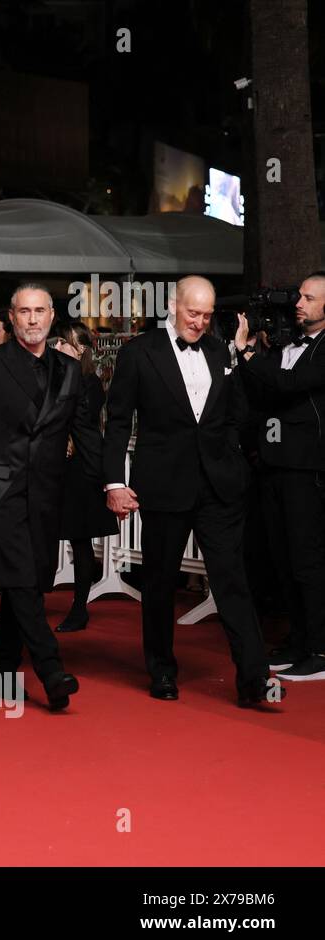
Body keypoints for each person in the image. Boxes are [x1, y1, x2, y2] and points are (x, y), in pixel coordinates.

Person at [104, 275, 281, 708]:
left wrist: (237, 463)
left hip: (218, 486)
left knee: (233, 583)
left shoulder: (222, 351)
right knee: (161, 583)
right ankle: (162, 670)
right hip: (164, 486)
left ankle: (255, 682)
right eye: (192, 313)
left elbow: (234, 414)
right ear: (172, 304)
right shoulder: (138, 353)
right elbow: (117, 422)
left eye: (206, 315)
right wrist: (114, 482)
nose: (199, 323)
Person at [0, 284, 102, 711]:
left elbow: (86, 434)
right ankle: (51, 670)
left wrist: (109, 484)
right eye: (24, 312)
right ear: (13, 318)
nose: (33, 319)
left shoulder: (69, 370)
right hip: (2, 485)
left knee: (34, 579)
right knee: (20, 574)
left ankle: (2, 664)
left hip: (49, 488)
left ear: (52, 316)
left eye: (40, 311)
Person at [236, 272, 325, 680]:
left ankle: (320, 651)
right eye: (299, 296)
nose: (299, 303)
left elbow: (291, 384)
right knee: (283, 559)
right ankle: (297, 640)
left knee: (307, 561)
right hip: (272, 465)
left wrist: (250, 357)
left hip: (307, 469)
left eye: (309, 297)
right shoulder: (284, 346)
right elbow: (262, 392)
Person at [49, 321, 117, 632]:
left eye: (64, 342)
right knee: (42, 536)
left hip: (82, 467)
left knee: (80, 540)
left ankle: (79, 609)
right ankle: (19, 610)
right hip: (58, 465)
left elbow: (78, 422)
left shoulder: (89, 383)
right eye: (57, 342)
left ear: (81, 349)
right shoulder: (54, 376)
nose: (57, 347)